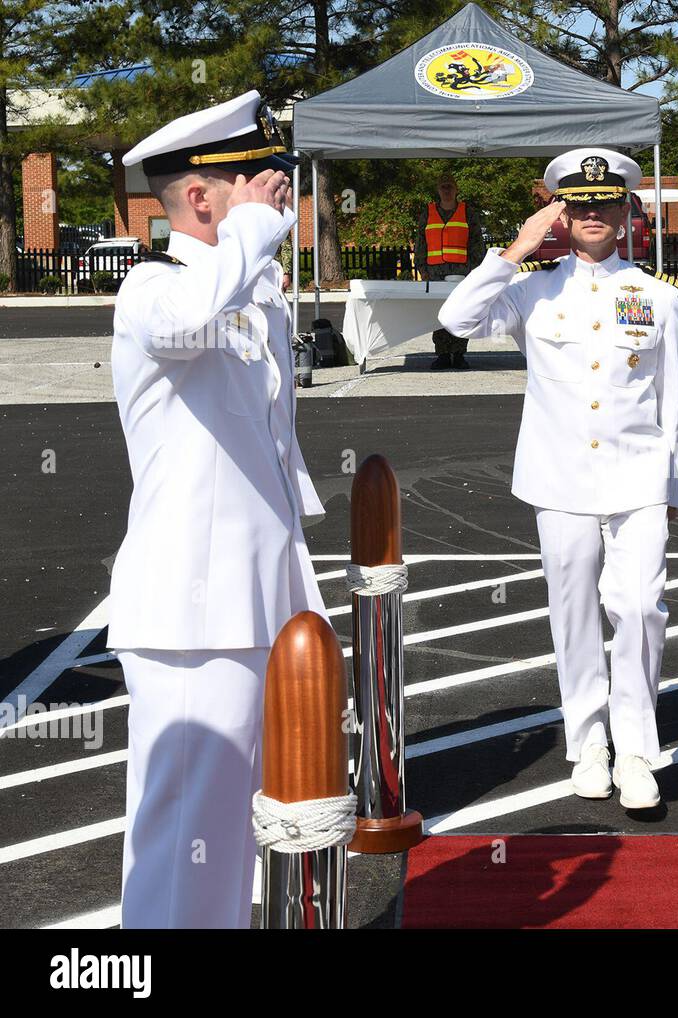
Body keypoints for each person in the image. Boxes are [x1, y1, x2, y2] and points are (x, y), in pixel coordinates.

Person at [110, 90, 327, 928]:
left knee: (231, 831)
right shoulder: (154, 288)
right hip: (190, 614)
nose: (279, 193)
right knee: (187, 833)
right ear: (201, 198)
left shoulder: (250, 290)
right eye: (259, 178)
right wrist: (250, 236)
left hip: (255, 597)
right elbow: (191, 319)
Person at [438, 148, 678, 810]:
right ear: (561, 214)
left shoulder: (657, 296)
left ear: (626, 211)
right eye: (578, 206)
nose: (593, 215)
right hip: (560, 480)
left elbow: (675, 400)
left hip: (638, 477)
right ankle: (589, 744)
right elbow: (455, 321)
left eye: (605, 204)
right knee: (574, 611)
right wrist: (517, 247)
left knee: (638, 610)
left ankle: (636, 746)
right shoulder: (530, 290)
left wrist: (675, 489)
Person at [415, 173, 486, 368]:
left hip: (461, 272)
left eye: (450, 187)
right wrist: (422, 268)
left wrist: (474, 269)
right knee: (440, 314)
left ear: (456, 189)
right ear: (438, 190)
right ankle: (443, 355)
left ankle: (459, 354)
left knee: (461, 312)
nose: (446, 190)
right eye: (443, 187)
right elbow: (420, 242)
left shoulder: (467, 212)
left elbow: (477, 243)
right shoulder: (428, 213)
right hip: (435, 272)